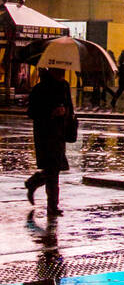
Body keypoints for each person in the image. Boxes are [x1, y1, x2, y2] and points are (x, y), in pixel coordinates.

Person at [25, 67, 74, 217]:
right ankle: (52, 206)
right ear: (52, 71)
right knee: (53, 169)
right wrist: (51, 113)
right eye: (59, 71)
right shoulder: (40, 89)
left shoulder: (64, 86)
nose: (62, 74)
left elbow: (70, 108)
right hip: (45, 134)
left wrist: (66, 112)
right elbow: (32, 112)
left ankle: (34, 183)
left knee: (55, 169)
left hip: (60, 134)